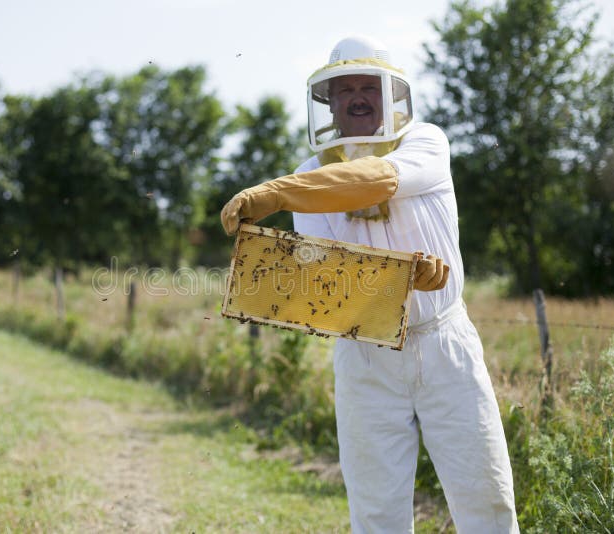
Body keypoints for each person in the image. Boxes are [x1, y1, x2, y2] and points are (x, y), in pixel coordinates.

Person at [221, 36, 518, 533]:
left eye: (367, 86)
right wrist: (404, 280)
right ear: (328, 103)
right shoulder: (308, 176)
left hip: (444, 344)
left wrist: (274, 193)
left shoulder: (425, 141)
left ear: (390, 94)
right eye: (344, 90)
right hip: (364, 353)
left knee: (486, 500)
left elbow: (376, 180)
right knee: (376, 512)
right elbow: (332, 277)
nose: (357, 97)